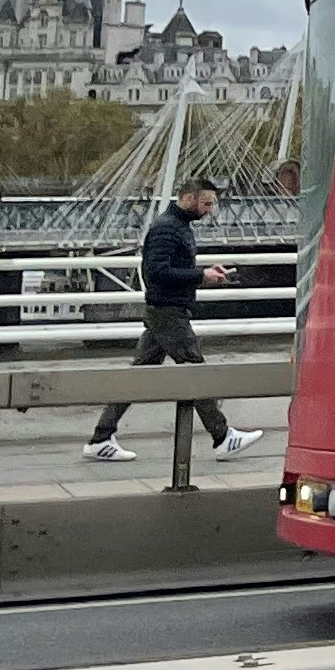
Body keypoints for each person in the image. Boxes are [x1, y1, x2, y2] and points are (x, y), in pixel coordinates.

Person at [86, 180, 258, 461]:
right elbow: (156, 272)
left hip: (164, 311)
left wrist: (202, 273)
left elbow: (169, 270)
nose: (209, 210)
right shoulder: (167, 228)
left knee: (140, 376)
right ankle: (223, 436)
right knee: (194, 371)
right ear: (189, 198)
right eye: (206, 203)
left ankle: (101, 437)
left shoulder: (175, 227)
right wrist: (200, 275)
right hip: (168, 314)